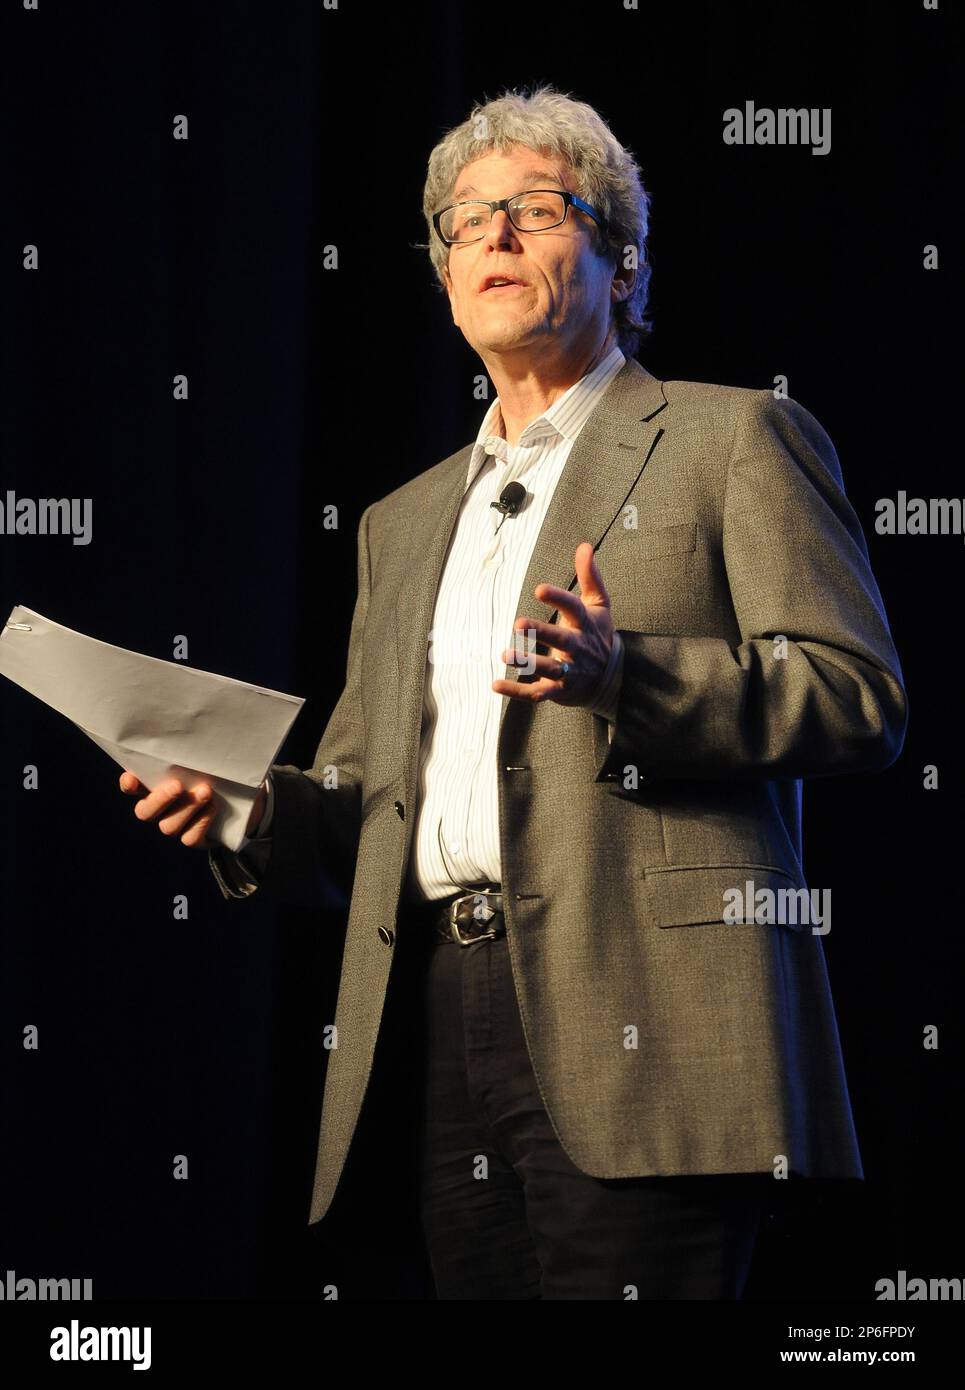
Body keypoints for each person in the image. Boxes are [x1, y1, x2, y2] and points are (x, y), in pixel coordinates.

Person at [120, 85, 908, 1299]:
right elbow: (359, 800)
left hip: (648, 1016)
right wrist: (251, 812)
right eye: (463, 219)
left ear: (620, 263)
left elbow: (856, 697)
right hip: (441, 1020)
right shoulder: (401, 520)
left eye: (535, 209)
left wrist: (625, 675)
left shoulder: (734, 437)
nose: (489, 235)